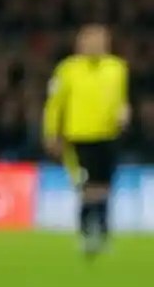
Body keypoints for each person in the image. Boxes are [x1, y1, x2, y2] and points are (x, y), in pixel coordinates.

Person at [43, 23, 130, 257]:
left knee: (104, 187)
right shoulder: (67, 70)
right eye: (90, 41)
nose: (95, 45)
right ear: (79, 44)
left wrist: (124, 112)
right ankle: (85, 234)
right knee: (87, 186)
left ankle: (102, 234)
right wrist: (52, 133)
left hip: (108, 136)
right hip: (78, 136)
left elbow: (120, 99)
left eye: (100, 41)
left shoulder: (117, 68)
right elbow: (55, 105)